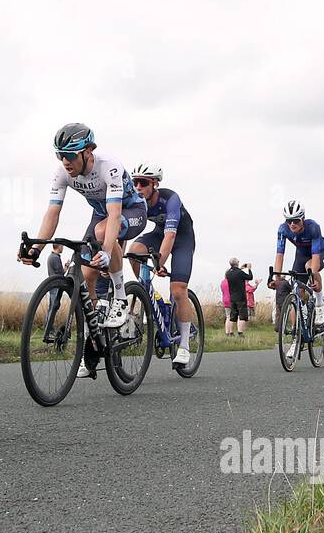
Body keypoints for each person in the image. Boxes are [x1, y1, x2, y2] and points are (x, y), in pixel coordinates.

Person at [21, 123, 146, 379]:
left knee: (101, 235)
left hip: (131, 212)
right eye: (59, 155)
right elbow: (52, 214)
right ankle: (92, 346)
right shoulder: (62, 173)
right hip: (101, 216)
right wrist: (36, 248)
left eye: (69, 155)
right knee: (86, 275)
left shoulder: (108, 166)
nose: (64, 161)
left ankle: (120, 298)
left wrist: (109, 251)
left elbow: (114, 214)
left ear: (88, 151)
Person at [127, 163, 197, 366]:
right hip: (159, 234)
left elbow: (171, 234)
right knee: (134, 252)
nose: (138, 187)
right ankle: (151, 294)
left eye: (143, 183)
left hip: (181, 239)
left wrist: (160, 262)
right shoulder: (134, 200)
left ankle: (184, 345)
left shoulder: (171, 199)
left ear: (155, 184)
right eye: (135, 182)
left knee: (177, 290)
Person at [269, 200, 324, 330]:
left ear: (303, 218)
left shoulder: (313, 227)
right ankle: (297, 332)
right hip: (301, 255)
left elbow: (315, 257)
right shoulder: (283, 229)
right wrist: (277, 279)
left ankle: (319, 304)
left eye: (296, 220)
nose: (292, 224)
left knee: (310, 268)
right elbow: (279, 255)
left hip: (319, 252)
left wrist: (313, 278)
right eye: (289, 220)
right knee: (296, 290)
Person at [224, 258, 253, 337]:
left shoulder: (228, 274)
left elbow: (235, 273)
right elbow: (250, 277)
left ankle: (230, 332)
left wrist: (240, 268)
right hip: (240, 297)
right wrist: (249, 269)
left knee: (232, 316)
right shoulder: (240, 273)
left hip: (232, 297)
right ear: (237, 263)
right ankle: (240, 333)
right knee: (242, 316)